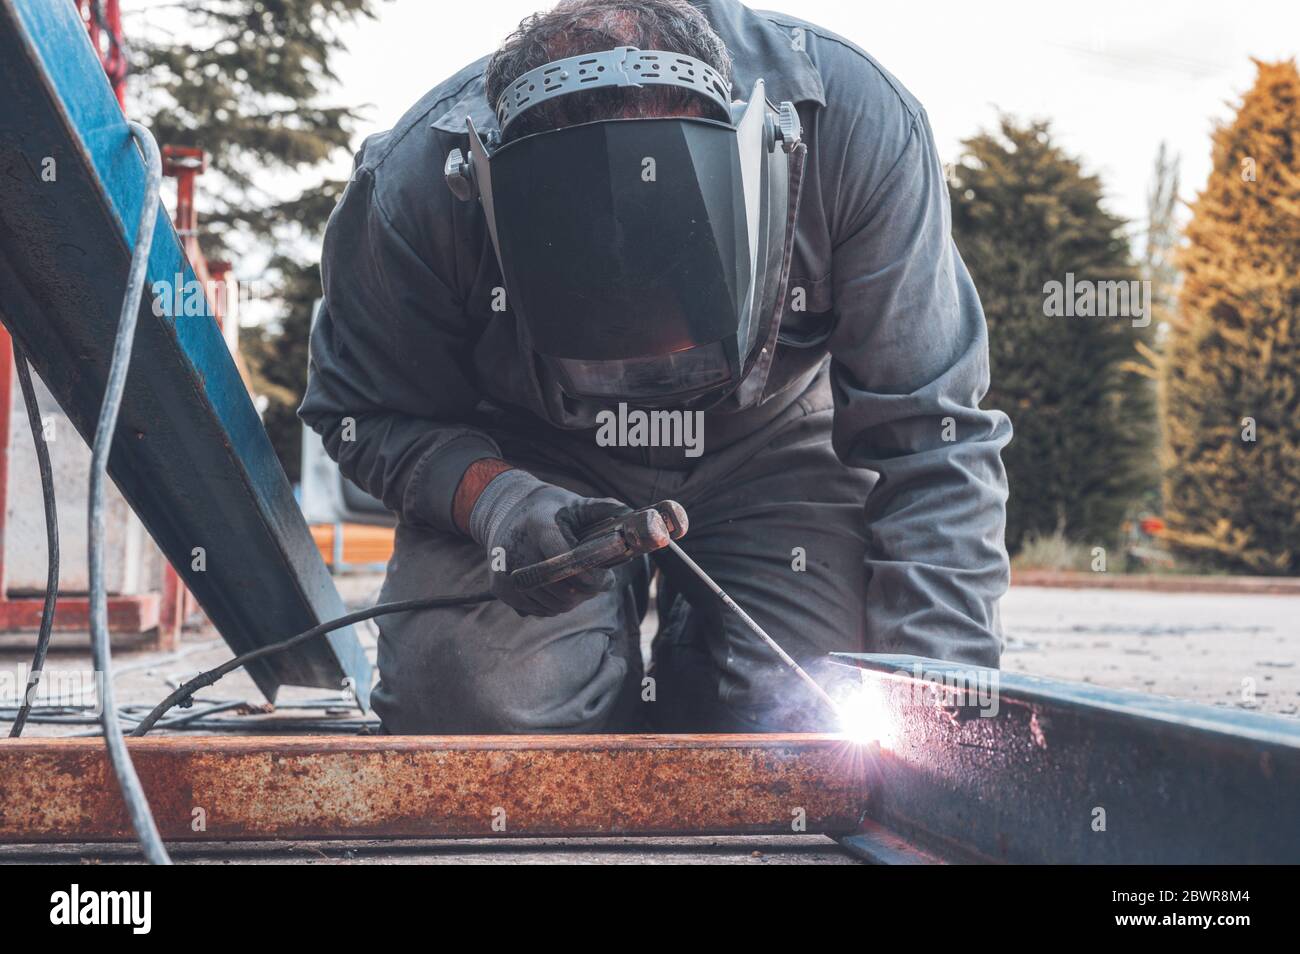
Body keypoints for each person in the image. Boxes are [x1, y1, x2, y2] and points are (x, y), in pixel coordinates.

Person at [301, 0, 1012, 734]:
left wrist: (942, 714)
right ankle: (591, 654)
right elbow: (364, 413)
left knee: (820, 709)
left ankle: (698, 653)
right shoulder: (413, 190)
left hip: (774, 449)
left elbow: (932, 436)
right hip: (536, 451)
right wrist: (496, 501)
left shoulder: (855, 126)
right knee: (471, 708)